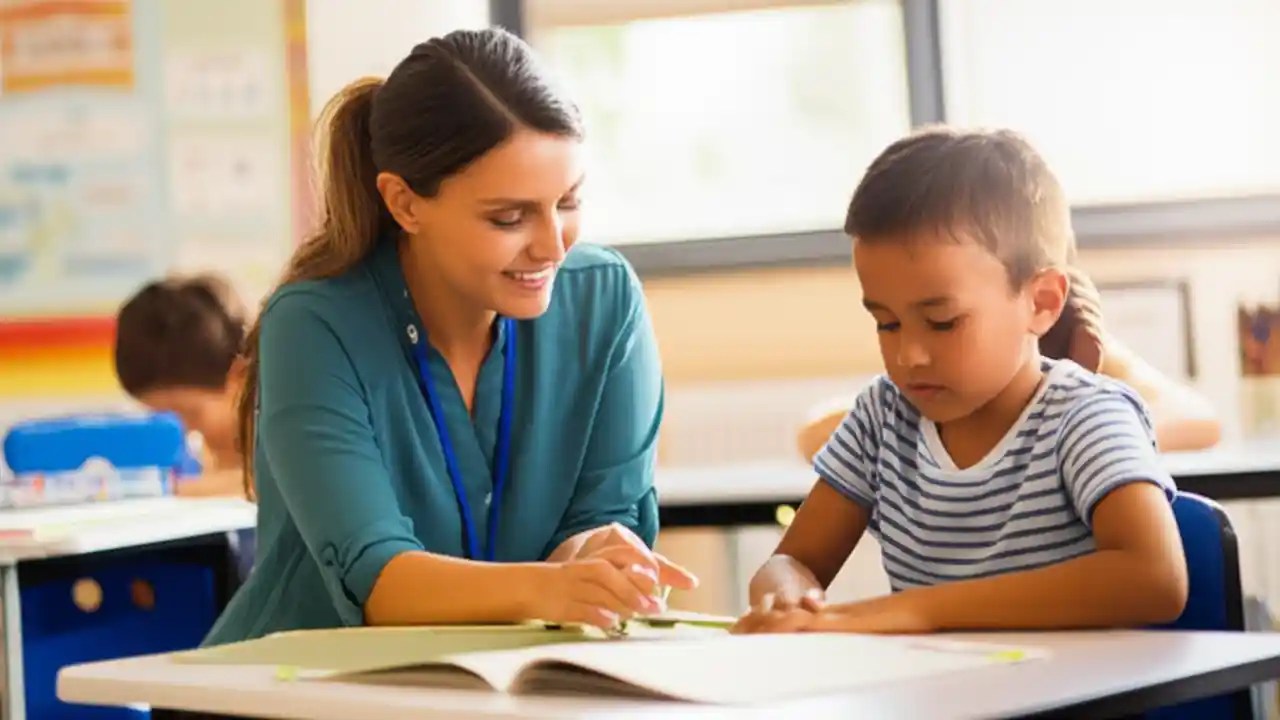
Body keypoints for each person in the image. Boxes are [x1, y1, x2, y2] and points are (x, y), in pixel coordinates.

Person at [202, 28, 696, 647]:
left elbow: (602, 517)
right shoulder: (313, 325)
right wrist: (550, 587)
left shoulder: (604, 299)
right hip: (297, 691)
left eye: (568, 201)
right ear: (405, 204)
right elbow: (381, 582)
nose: (552, 245)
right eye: (508, 217)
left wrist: (595, 555)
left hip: (503, 684)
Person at [736, 127, 1188, 635]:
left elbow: (1156, 579)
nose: (909, 355)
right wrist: (785, 597)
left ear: (1040, 302)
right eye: (886, 323)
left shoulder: (1085, 416)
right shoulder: (881, 419)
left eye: (943, 321)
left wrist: (916, 610)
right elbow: (792, 561)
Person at [794, 267, 1221, 460]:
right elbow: (817, 433)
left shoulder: (1080, 334)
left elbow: (1200, 420)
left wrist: (1078, 436)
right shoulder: (937, 370)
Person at [114, 274, 248, 498]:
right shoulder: (199, 458)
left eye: (189, 413)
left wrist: (178, 491)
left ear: (239, 376)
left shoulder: (287, 437)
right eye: (159, 418)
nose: (183, 433)